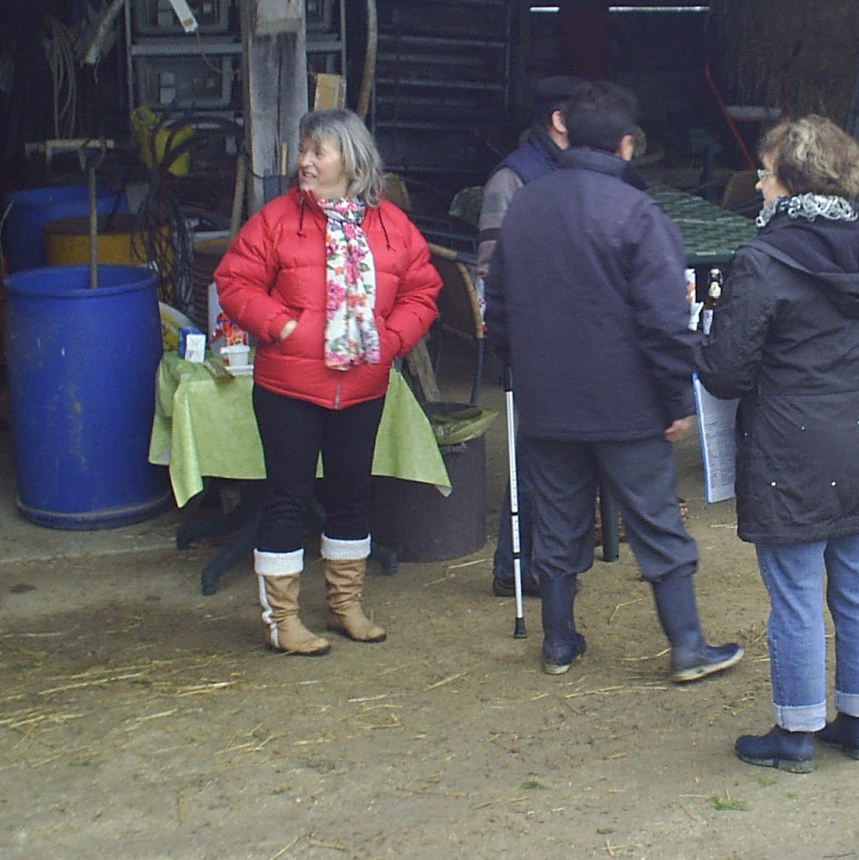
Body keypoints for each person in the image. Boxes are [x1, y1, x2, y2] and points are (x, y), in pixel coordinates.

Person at [484, 80, 742, 683]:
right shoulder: (638, 213)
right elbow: (664, 320)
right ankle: (686, 646)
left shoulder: (524, 205)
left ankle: (558, 642)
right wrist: (677, 397)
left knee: (556, 520)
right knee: (656, 522)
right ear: (627, 146)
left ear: (565, 134)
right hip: (628, 405)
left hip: (547, 400)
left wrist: (518, 369)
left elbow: (497, 305)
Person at [697, 116, 859, 774]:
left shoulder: (763, 258)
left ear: (791, 182)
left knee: (794, 594)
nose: (757, 186)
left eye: (763, 173)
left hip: (791, 444)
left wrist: (697, 340)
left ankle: (794, 734)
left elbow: (728, 370)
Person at [214, 108, 441, 655]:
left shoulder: (391, 225)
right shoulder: (275, 220)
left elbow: (422, 290)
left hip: (362, 386)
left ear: (352, 160)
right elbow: (234, 281)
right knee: (287, 499)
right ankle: (284, 619)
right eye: (304, 151)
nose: (305, 162)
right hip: (289, 385)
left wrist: (390, 342)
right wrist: (284, 326)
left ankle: (345, 605)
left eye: (318, 152)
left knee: (352, 496)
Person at [478, 75, 584, 599]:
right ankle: (514, 566)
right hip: (539, 339)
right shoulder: (512, 178)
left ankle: (549, 560)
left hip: (573, 335)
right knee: (535, 455)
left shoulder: (576, 168)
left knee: (561, 454)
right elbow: (492, 269)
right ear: (559, 120)